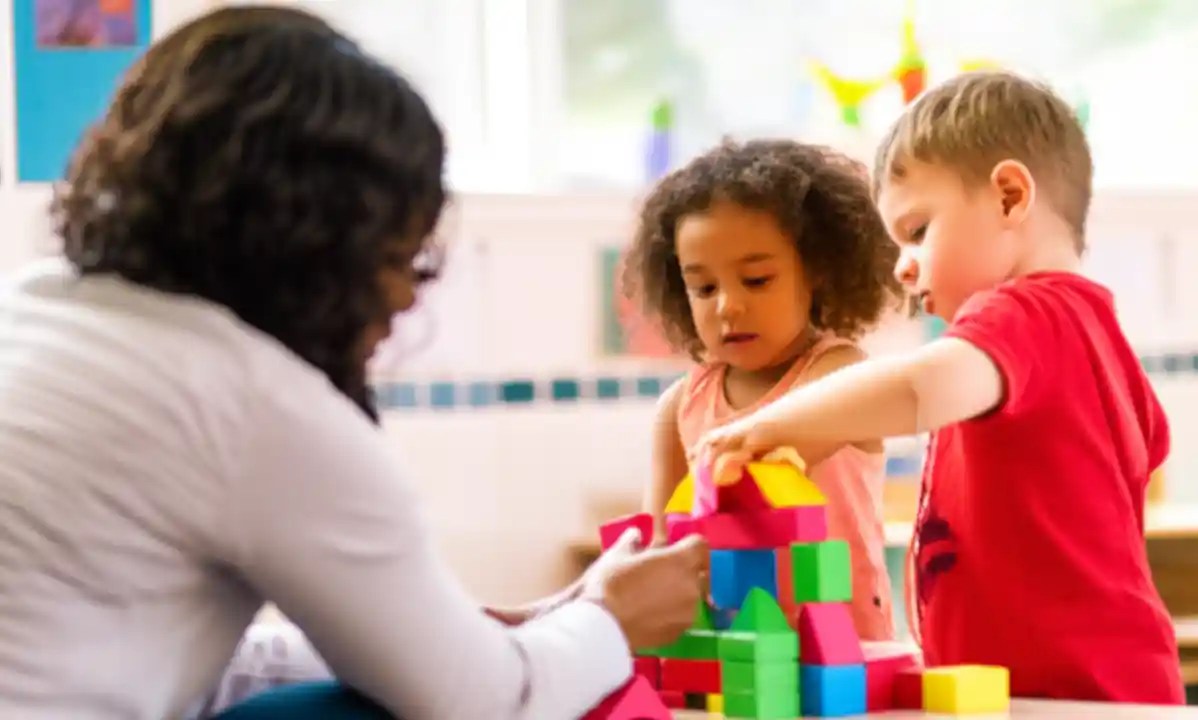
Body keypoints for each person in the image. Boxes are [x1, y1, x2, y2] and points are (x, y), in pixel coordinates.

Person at [0, 6, 709, 719]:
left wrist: (489, 634)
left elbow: (154, 664)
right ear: (318, 249)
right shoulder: (255, 404)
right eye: (400, 256)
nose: (405, 297)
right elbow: (492, 706)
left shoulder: (33, 312)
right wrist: (611, 622)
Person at [696, 70, 1184, 704]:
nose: (903, 266)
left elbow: (921, 388)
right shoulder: (1092, 337)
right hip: (1073, 689)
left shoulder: (1024, 312)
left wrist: (773, 422)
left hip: (1075, 693)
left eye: (918, 231)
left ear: (1010, 197)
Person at [624, 138, 903, 640]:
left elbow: (766, 461)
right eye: (704, 288)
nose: (728, 306)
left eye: (756, 280)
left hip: (845, 647)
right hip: (731, 650)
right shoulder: (680, 407)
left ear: (816, 271)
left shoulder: (840, 375)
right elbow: (659, 546)